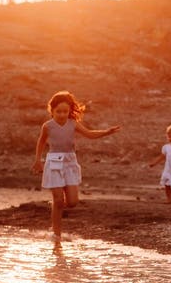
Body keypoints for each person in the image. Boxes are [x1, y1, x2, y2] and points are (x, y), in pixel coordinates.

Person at [31, 91, 120, 242]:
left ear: (69, 111)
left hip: (70, 161)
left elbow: (90, 134)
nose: (62, 114)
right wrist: (38, 160)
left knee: (72, 202)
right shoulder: (47, 126)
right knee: (58, 200)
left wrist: (106, 132)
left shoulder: (73, 124)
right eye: (58, 111)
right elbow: (41, 142)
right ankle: (56, 234)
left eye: (65, 111)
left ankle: (56, 207)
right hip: (54, 161)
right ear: (51, 110)